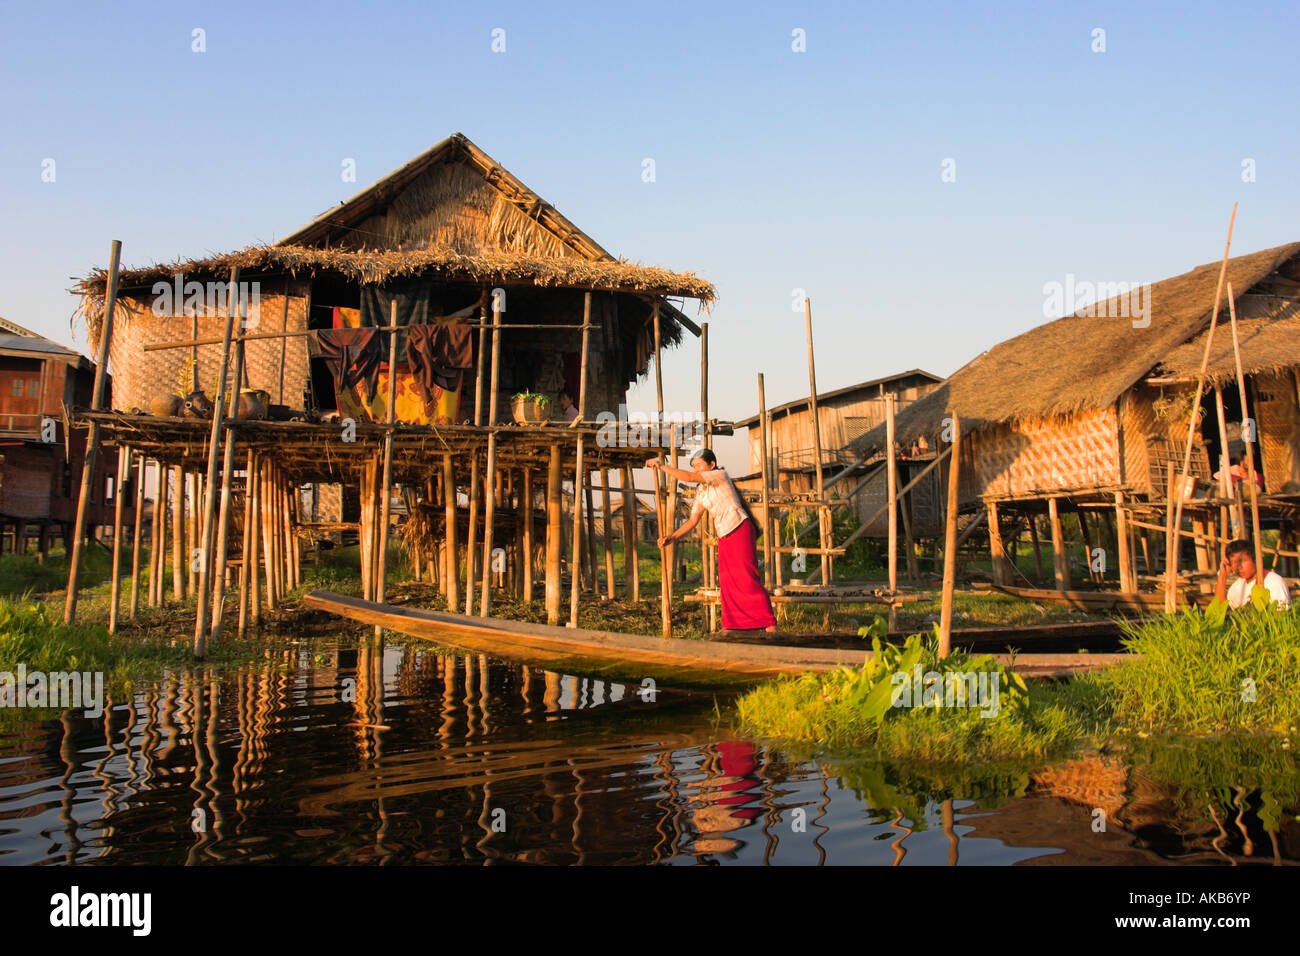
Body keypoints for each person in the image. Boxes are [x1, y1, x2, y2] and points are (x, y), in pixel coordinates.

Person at [646, 449, 777, 634]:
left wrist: (660, 467)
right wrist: (672, 537)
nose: (696, 469)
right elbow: (693, 520)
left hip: (739, 528)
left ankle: (769, 624)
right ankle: (735, 626)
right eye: (693, 466)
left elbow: (690, 478)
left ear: (711, 465)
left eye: (699, 465)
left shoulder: (719, 475)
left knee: (747, 578)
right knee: (727, 581)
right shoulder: (701, 492)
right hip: (724, 535)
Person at [1215, 538, 1291, 609]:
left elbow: (1282, 614)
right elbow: (1219, 609)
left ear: (1255, 559)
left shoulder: (1274, 582)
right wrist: (1222, 575)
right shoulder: (1237, 587)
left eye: (1242, 561)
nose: (1238, 567)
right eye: (1234, 562)